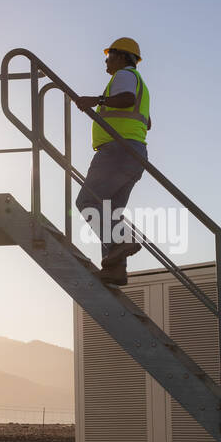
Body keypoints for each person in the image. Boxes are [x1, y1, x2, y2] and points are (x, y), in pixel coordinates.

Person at [75, 37, 150, 285]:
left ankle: (122, 241)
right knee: (111, 211)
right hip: (135, 154)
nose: (106, 61)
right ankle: (115, 269)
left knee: (87, 201)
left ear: (121, 56)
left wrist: (97, 101)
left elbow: (127, 99)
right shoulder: (141, 84)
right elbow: (147, 122)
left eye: (109, 55)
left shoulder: (124, 77)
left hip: (117, 150)